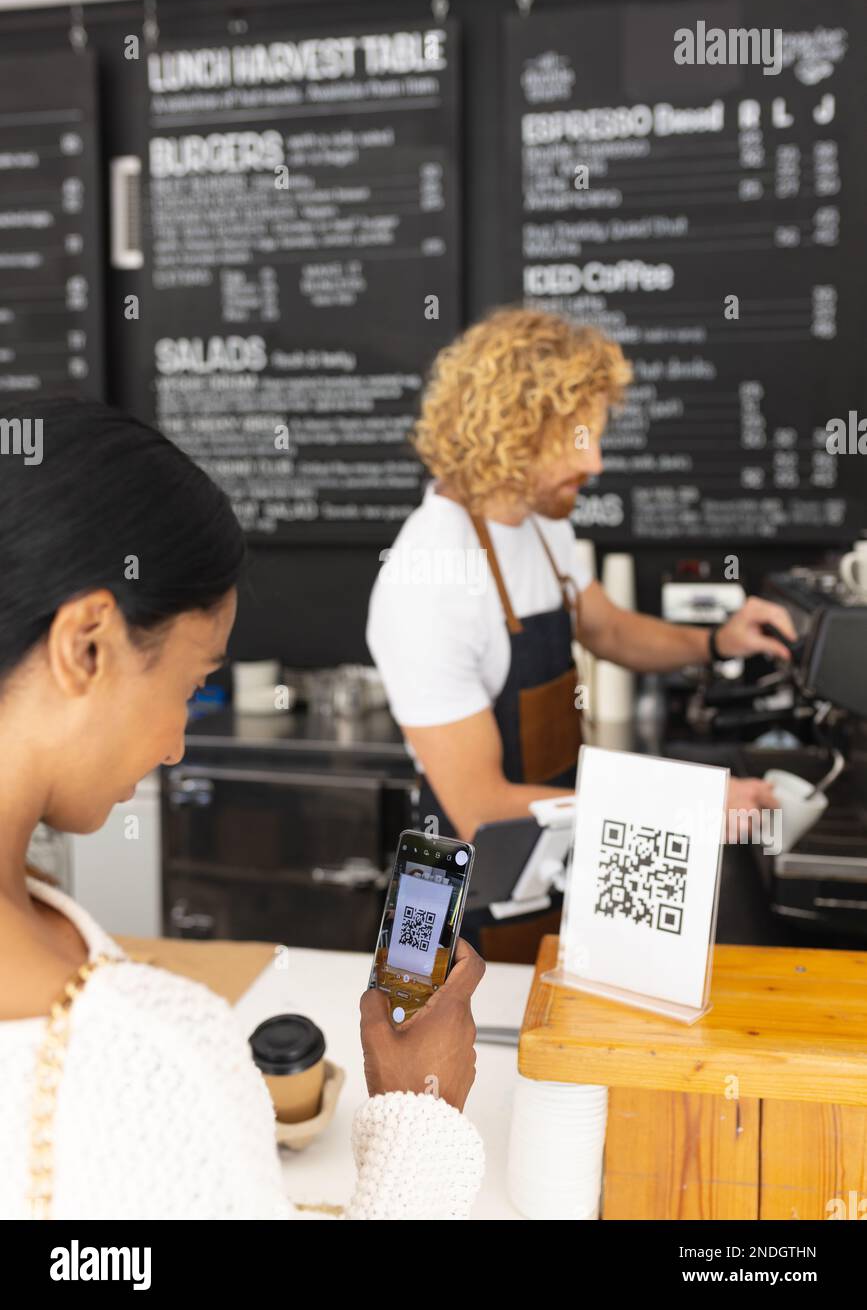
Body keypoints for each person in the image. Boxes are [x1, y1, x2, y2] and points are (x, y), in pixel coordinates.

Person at [0, 397, 484, 1220]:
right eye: (190, 685)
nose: (177, 744)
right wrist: (419, 1113)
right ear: (87, 644)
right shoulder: (149, 1056)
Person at [366, 308, 798, 951]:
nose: (594, 462)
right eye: (575, 440)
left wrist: (715, 643)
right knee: (451, 1043)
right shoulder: (430, 580)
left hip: (554, 848)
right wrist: (690, 808)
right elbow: (480, 808)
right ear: (511, 434)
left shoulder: (544, 526)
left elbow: (610, 630)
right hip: (454, 895)